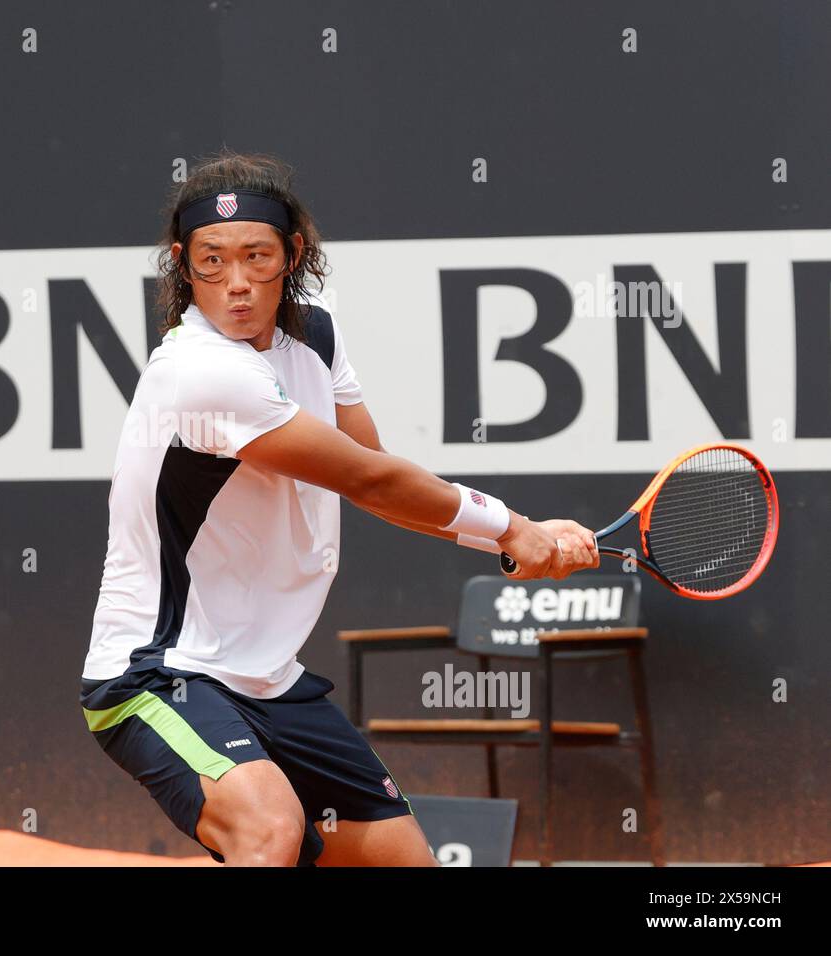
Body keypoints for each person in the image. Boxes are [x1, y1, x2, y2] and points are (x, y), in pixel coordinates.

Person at [79, 151, 599, 866]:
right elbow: (372, 482)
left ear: (292, 254)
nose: (235, 284)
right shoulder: (200, 373)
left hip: (270, 679)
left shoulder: (316, 337)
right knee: (268, 829)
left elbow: (382, 479)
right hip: (159, 672)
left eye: (257, 257)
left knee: (401, 861)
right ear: (181, 263)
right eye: (210, 262)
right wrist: (515, 527)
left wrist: (511, 543)